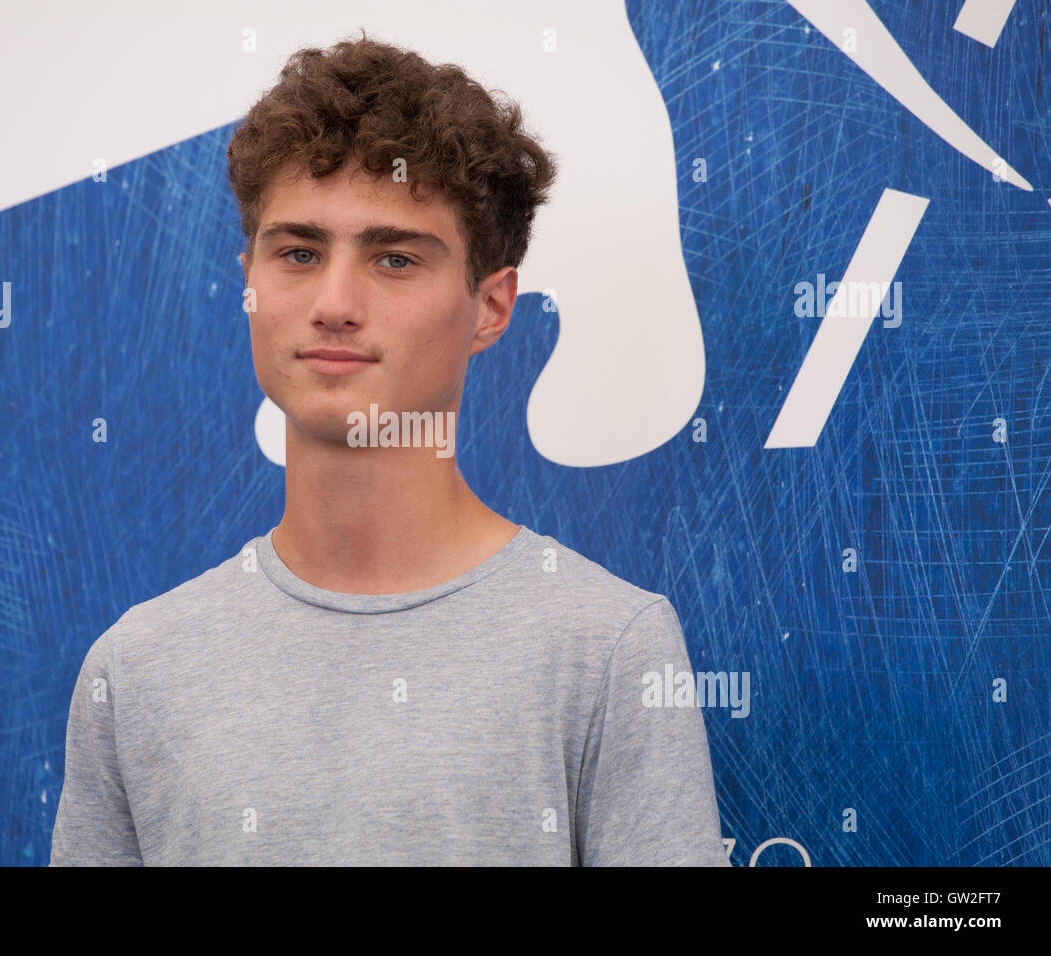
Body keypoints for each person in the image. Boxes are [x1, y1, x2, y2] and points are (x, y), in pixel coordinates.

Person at [50, 30, 728, 866]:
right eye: (298, 252)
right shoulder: (137, 670)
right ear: (251, 283)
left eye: (395, 258)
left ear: (490, 306)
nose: (334, 303)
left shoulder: (609, 649)